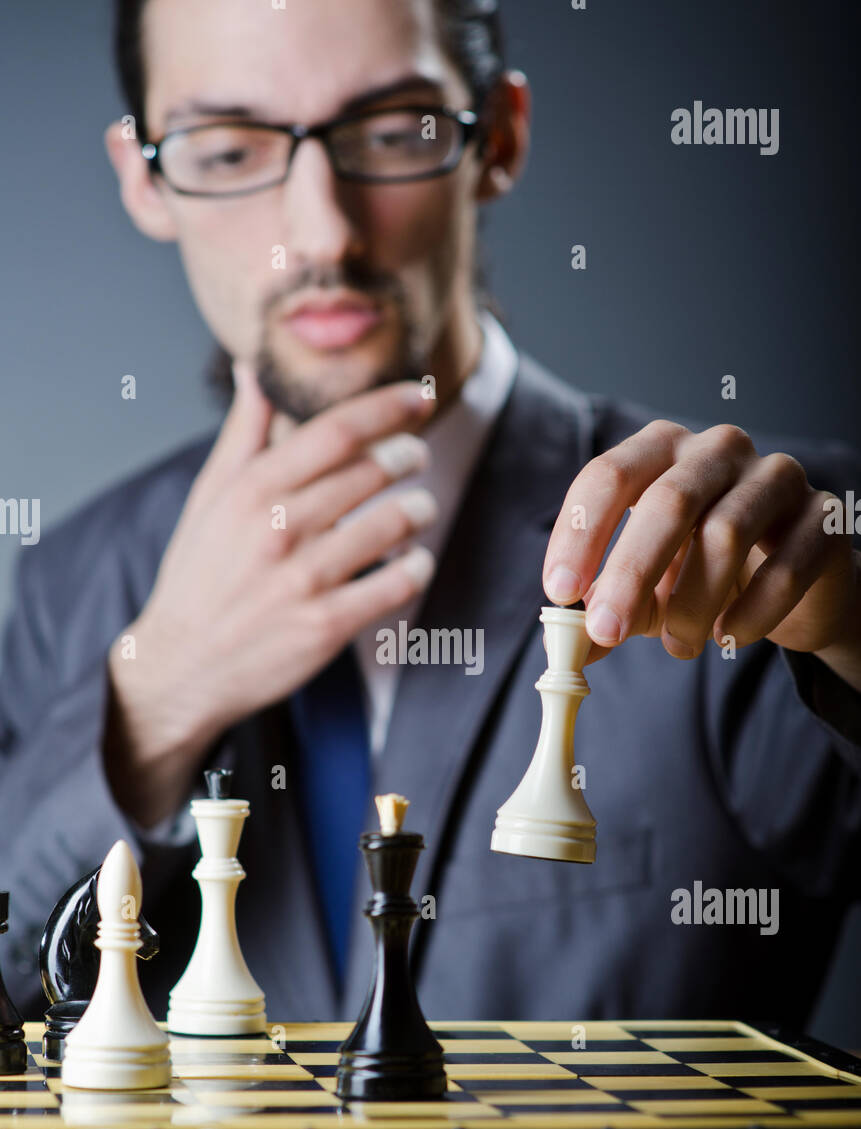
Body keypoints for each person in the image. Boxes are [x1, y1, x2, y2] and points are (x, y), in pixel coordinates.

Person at [1, 0, 859, 1026]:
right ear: (144, 175)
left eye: (392, 129)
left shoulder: (768, 545)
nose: (321, 231)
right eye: (227, 149)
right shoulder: (71, 585)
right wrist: (151, 708)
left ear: (498, 136)